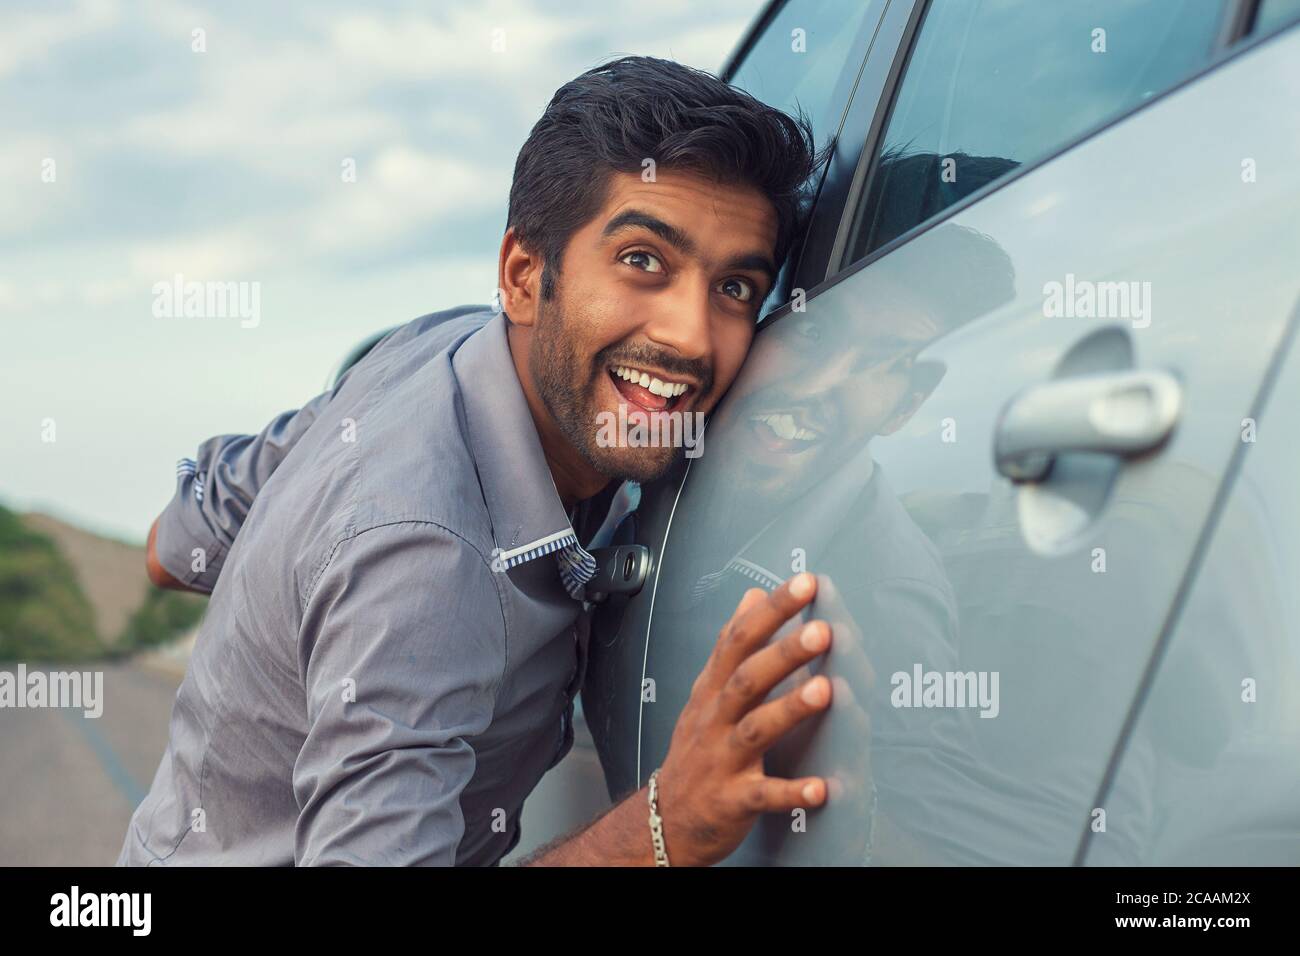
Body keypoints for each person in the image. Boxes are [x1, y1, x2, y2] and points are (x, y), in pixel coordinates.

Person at [118, 55, 836, 867]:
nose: (690, 337)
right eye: (643, 261)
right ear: (525, 276)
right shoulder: (426, 558)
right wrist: (663, 830)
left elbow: (174, 544)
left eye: (736, 288)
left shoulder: (438, 344)